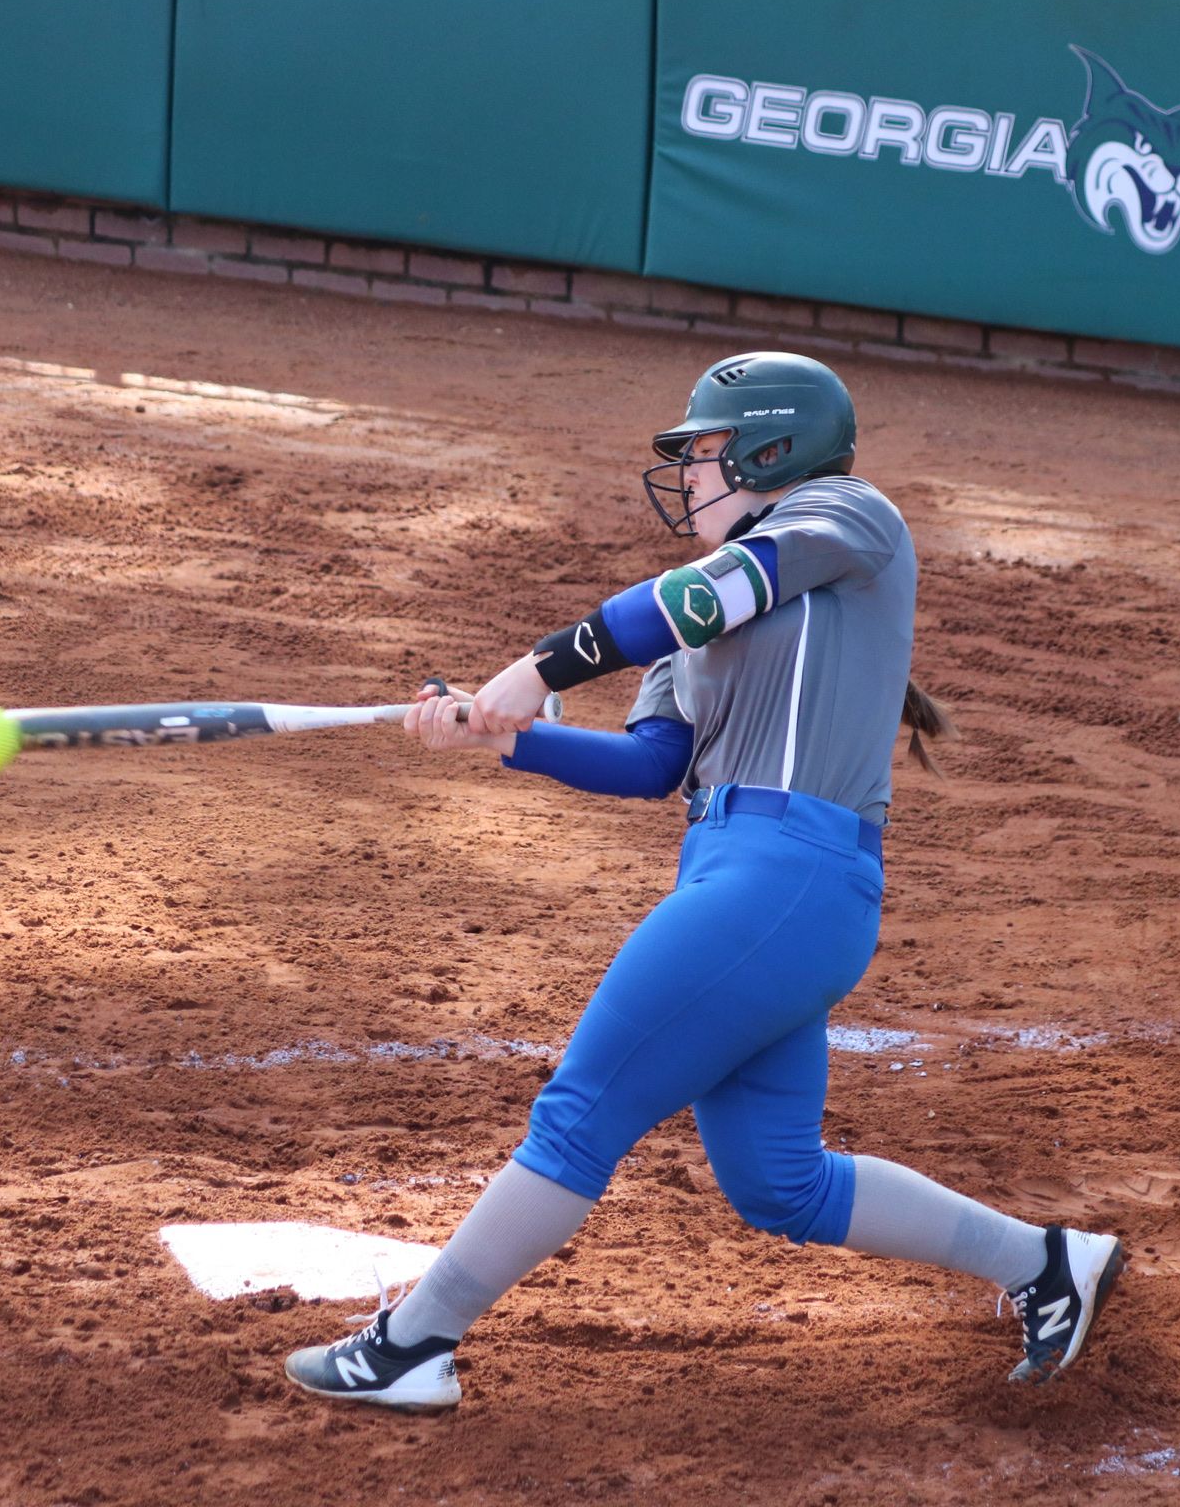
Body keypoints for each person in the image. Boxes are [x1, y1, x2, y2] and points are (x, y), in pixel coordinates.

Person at [283, 352, 1123, 1411]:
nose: (689, 475)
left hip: (788, 877)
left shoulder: (848, 517)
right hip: (746, 882)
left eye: (708, 452)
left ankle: (412, 1344)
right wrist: (502, 739)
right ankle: (1048, 1265)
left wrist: (539, 669)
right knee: (781, 1183)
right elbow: (651, 766)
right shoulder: (693, 625)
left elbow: (697, 596)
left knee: (581, 1114)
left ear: (776, 450)